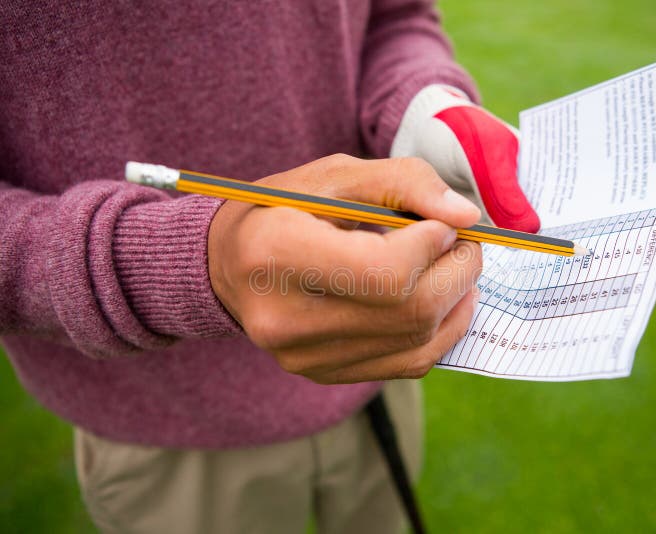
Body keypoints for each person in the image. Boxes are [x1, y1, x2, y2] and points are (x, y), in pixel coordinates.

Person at [0, 1, 539, 532]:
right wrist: (191, 262)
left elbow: (394, 18)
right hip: (168, 430)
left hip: (381, 356)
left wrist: (420, 105)